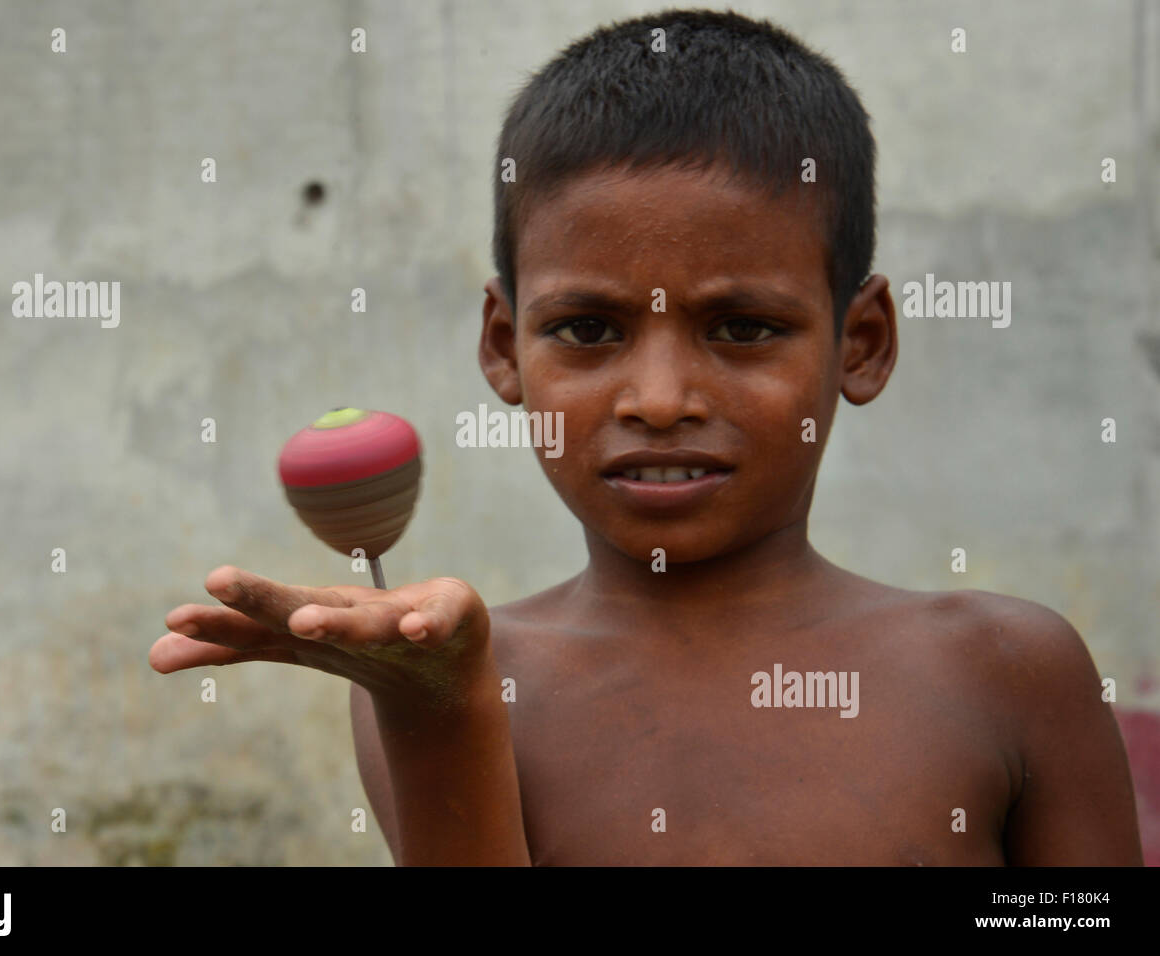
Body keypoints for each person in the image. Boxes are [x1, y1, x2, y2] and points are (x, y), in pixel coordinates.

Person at [150, 8, 1143, 866]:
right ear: (504, 348)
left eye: (742, 327)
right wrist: (436, 710)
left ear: (863, 341)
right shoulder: (450, 680)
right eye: (587, 329)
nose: (659, 398)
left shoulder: (1005, 670)